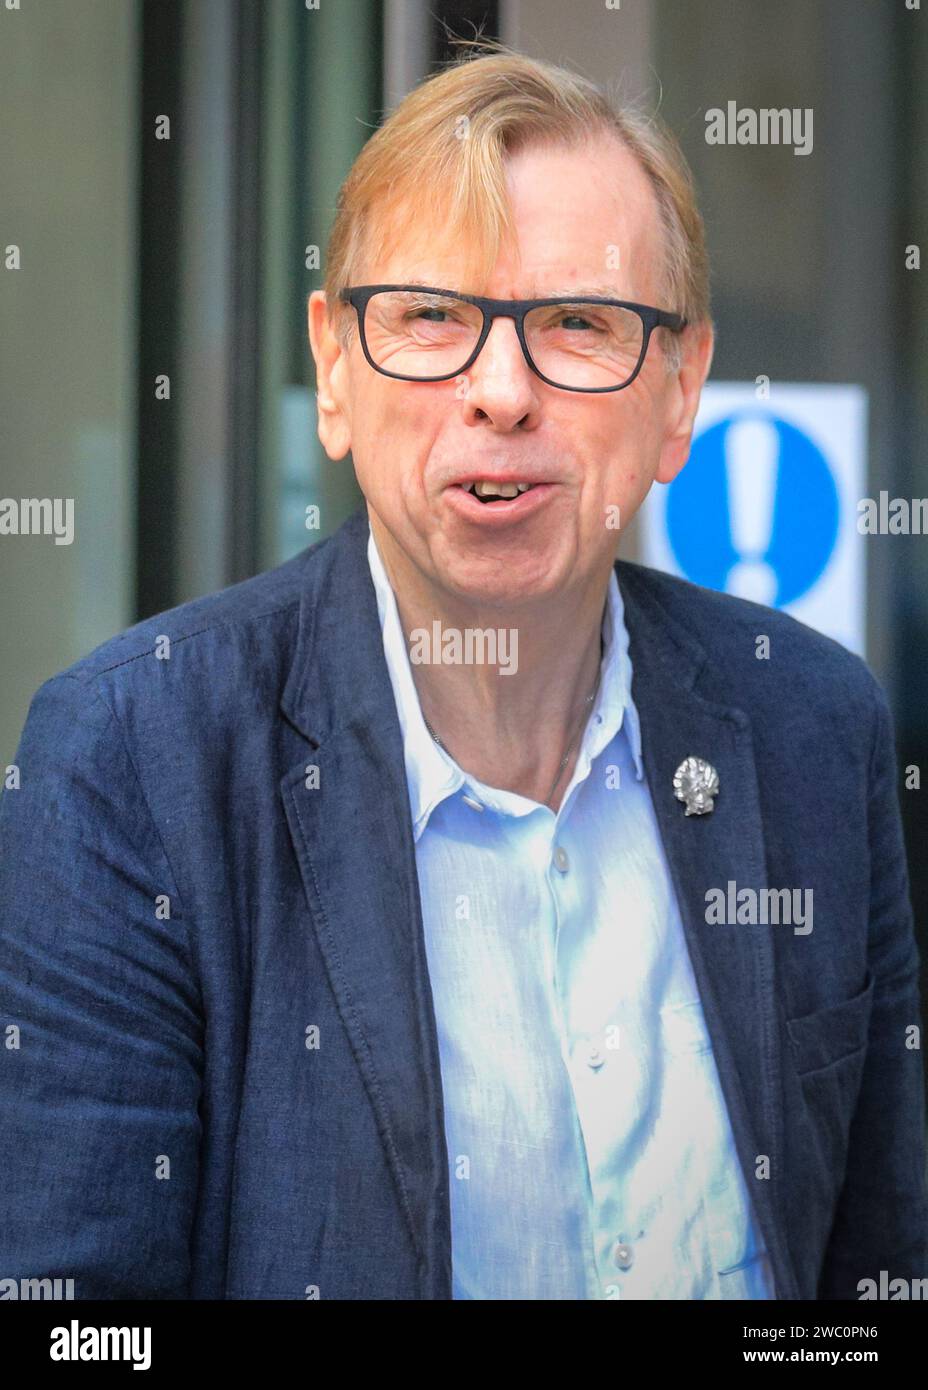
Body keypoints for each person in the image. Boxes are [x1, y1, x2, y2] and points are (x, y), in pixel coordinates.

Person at [1, 44, 925, 1301]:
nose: (500, 392)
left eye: (579, 325)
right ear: (333, 366)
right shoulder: (131, 760)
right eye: (432, 318)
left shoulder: (815, 727)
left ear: (679, 392)